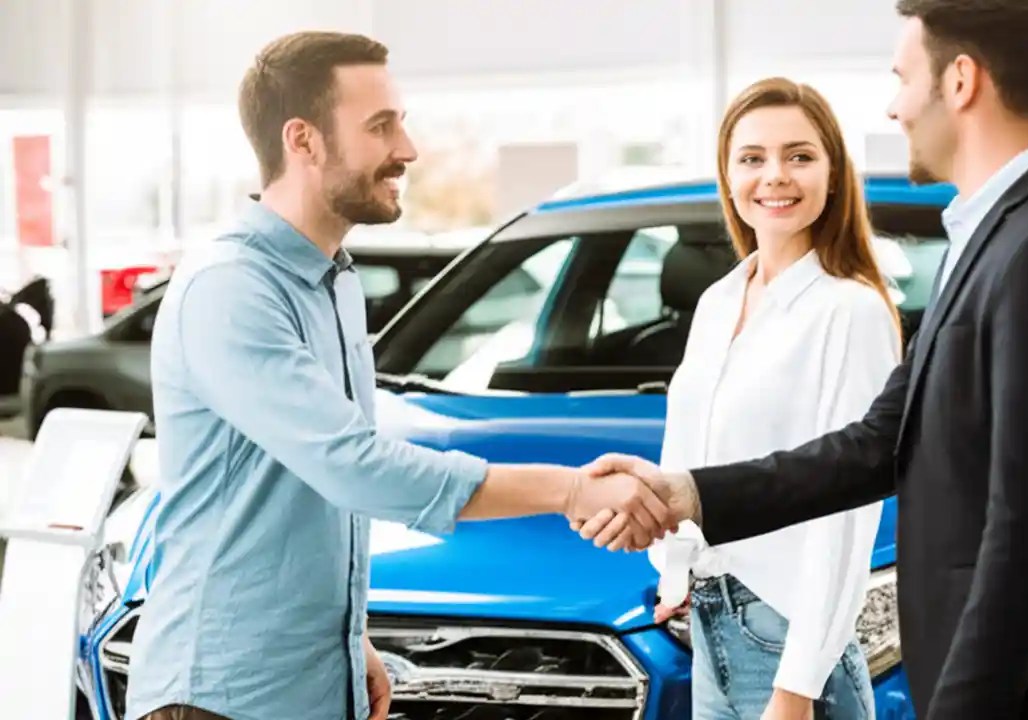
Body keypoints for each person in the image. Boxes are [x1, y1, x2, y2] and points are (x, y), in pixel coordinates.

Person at [578, 1, 1028, 718]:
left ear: (960, 82)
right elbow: (877, 443)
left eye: (901, 77)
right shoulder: (994, 239)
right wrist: (687, 495)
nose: (894, 108)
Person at [128, 32, 669, 720]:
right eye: (381, 125)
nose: (407, 149)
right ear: (304, 140)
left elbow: (309, 496)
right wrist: (568, 491)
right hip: (224, 696)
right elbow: (354, 467)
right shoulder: (231, 290)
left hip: (314, 684)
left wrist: (346, 639)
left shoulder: (334, 282)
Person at [647, 77, 900, 720]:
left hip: (788, 642)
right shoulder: (717, 302)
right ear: (728, 177)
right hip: (709, 625)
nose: (775, 177)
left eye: (800, 156)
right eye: (752, 158)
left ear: (834, 174)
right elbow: (689, 454)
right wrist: (677, 568)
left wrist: (798, 685)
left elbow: (847, 513)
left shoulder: (852, 311)